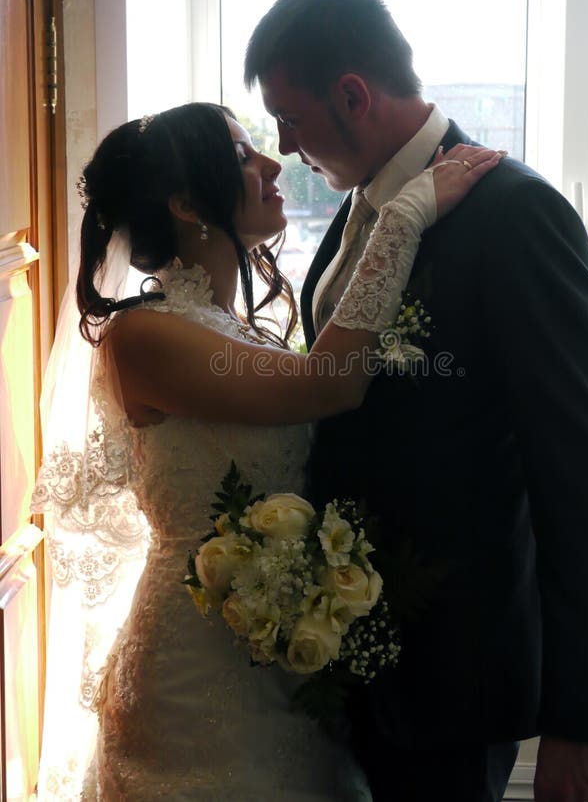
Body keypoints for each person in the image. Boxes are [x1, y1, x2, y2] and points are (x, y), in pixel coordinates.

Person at [31, 101, 502, 800]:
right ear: (186, 203)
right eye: (242, 155)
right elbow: (330, 383)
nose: (272, 164)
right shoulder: (144, 337)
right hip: (195, 676)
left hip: (283, 662)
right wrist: (403, 216)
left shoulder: (234, 329)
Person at [244, 0, 588, 802]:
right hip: (349, 663)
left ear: (352, 95)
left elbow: (581, 472)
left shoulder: (514, 215)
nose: (283, 146)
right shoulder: (359, 208)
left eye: (289, 118)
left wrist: (580, 716)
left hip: (455, 672)